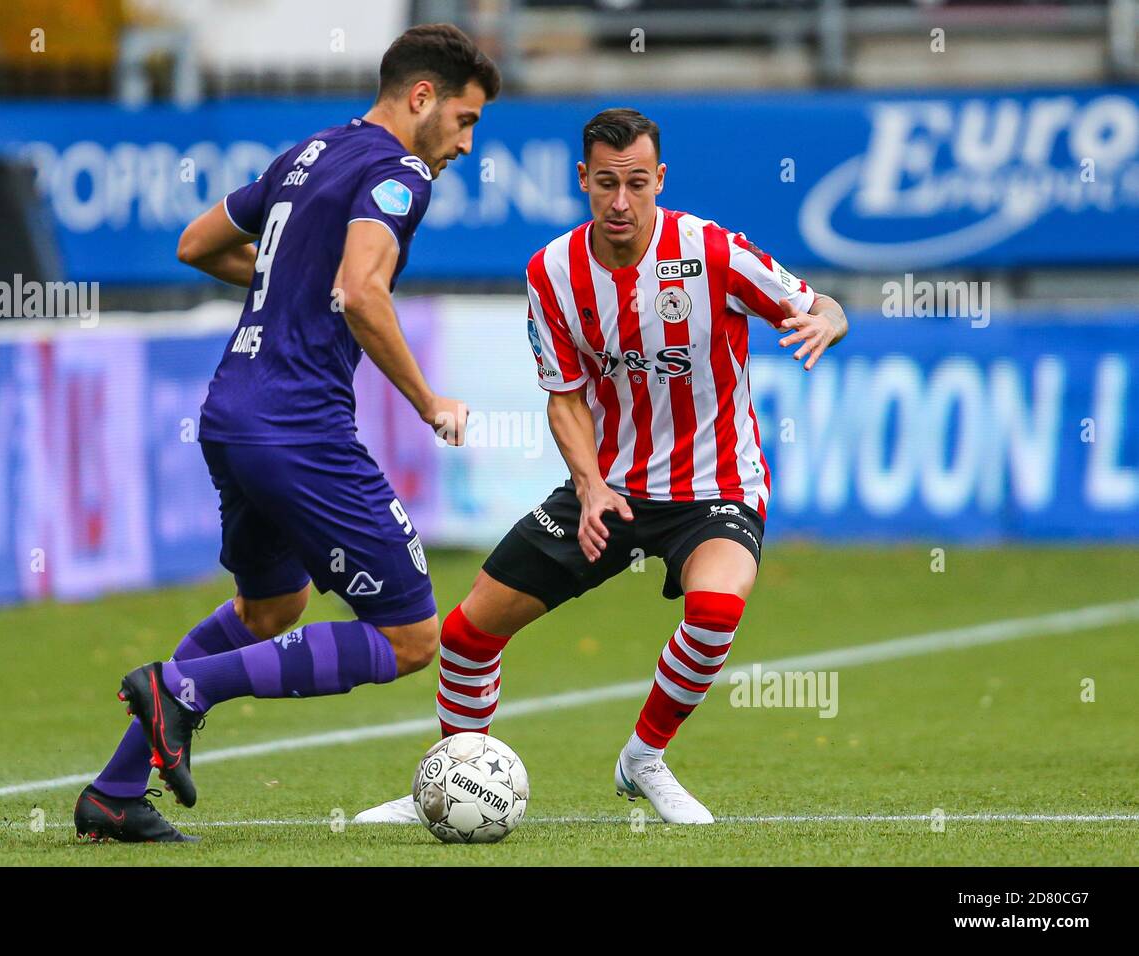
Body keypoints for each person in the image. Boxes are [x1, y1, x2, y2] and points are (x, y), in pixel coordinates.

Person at [356, 107, 848, 825]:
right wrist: (589, 489)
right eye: (607, 183)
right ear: (584, 180)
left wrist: (829, 319)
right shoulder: (551, 273)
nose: (622, 202)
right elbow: (565, 400)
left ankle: (644, 759)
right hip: (608, 486)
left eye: (638, 184)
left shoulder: (711, 252)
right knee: (466, 634)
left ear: (660, 180)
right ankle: (450, 776)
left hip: (715, 486)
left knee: (716, 607)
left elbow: (819, 304)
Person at [73, 24, 500, 843]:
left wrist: (292, 280)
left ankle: (116, 792)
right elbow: (364, 294)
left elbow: (197, 243)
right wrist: (427, 401)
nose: (466, 143)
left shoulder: (311, 153)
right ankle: (182, 691)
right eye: (466, 119)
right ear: (422, 98)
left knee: (271, 605)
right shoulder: (400, 171)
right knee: (413, 638)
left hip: (231, 410)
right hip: (297, 427)